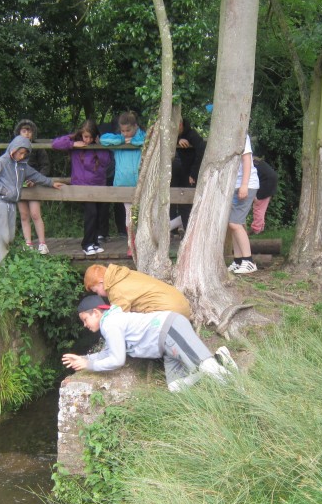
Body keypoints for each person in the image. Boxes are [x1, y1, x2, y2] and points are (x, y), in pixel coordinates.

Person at [62, 294, 235, 392]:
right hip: (165, 345)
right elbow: (108, 352)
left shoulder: (110, 324)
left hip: (170, 329)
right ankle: (219, 359)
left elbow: (117, 360)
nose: (85, 325)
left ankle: (240, 391)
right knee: (176, 387)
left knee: (208, 368)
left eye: (85, 319)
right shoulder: (111, 322)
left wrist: (89, 365)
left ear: (96, 313)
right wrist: (84, 359)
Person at [0, 136, 64, 268]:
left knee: (9, 237)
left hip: (11, 204)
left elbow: (36, 176)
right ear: (13, 149)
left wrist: (51, 183)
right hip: (0, 203)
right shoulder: (1, 162)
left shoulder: (22, 167)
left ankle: (3, 265)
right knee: (1, 237)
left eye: (24, 154)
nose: (21, 156)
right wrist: (4, 191)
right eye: (20, 153)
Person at [52, 119, 112, 256]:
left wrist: (98, 145)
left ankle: (95, 242)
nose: (88, 140)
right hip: (82, 186)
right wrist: (73, 143)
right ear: (81, 134)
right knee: (91, 213)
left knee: (98, 213)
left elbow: (106, 161)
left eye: (91, 137)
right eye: (86, 137)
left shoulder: (97, 144)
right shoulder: (75, 143)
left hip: (98, 185)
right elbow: (55, 144)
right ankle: (87, 244)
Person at [100, 111, 146, 258]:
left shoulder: (141, 137)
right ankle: (130, 245)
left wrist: (132, 141)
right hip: (123, 185)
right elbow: (103, 139)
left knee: (142, 215)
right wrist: (121, 140)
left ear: (136, 127)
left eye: (129, 130)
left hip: (140, 184)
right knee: (129, 216)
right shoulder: (119, 140)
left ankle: (141, 244)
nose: (126, 134)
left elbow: (146, 140)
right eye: (123, 131)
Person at [83, 263, 191, 318]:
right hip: (183, 307)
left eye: (96, 290)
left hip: (173, 315)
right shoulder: (122, 274)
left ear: (101, 281)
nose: (99, 295)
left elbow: (118, 318)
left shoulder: (115, 289)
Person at [13, 119, 52, 254]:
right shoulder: (14, 148)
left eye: (29, 131)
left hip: (34, 186)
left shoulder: (38, 148)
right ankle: (28, 244)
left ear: (33, 133)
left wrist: (36, 180)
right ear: (19, 132)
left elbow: (45, 166)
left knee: (35, 214)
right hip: (20, 186)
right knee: (24, 215)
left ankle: (42, 244)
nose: (27, 133)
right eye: (24, 131)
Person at [227, 135, 260, 275]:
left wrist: (244, 185)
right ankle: (238, 260)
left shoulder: (241, 135)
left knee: (235, 223)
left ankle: (249, 261)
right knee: (233, 224)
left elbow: (247, 159)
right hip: (234, 186)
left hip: (245, 185)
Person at [170, 117, 206, 231]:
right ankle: (178, 230)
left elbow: (201, 151)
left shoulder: (192, 134)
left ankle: (190, 231)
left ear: (181, 125)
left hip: (191, 172)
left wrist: (193, 174)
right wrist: (177, 140)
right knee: (176, 201)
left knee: (187, 204)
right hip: (179, 172)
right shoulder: (174, 135)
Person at [250, 157, 277, 235]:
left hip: (266, 182)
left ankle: (256, 229)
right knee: (261, 206)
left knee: (258, 206)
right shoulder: (254, 160)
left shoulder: (248, 162)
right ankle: (260, 228)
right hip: (269, 181)